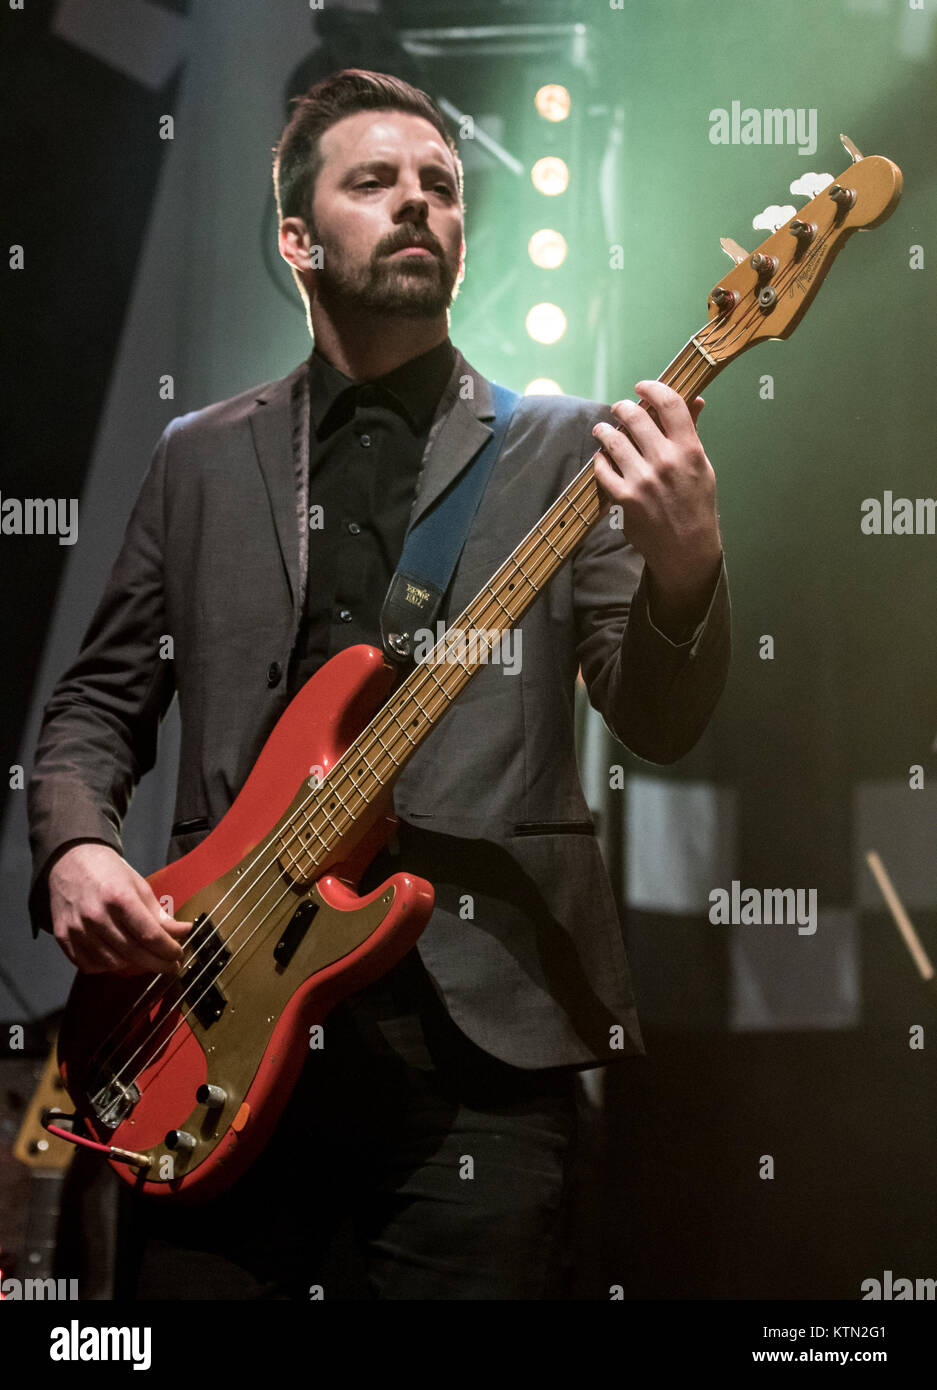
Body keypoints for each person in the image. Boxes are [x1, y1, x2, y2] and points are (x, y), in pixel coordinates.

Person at [27, 69, 730, 1299]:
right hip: (213, 1012)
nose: (419, 204)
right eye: (374, 183)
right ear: (297, 240)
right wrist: (75, 851)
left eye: (441, 188)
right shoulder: (199, 459)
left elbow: (660, 716)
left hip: (477, 1053)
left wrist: (686, 573)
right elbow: (95, 707)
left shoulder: (563, 448)